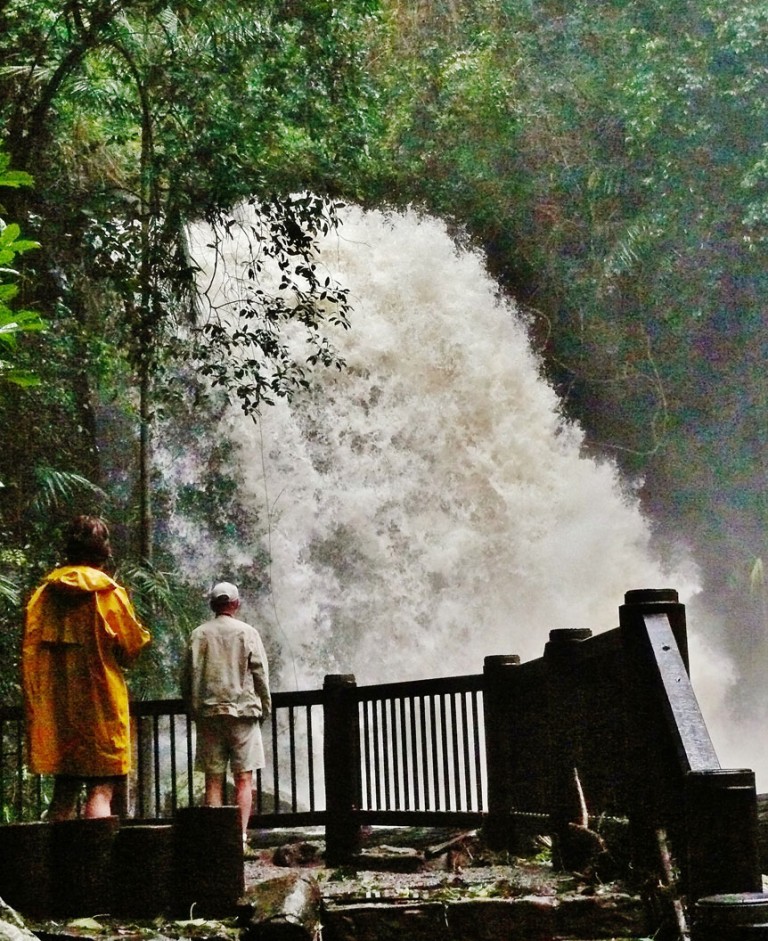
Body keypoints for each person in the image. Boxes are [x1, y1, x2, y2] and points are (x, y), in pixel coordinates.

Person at [21, 515, 151, 820]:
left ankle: (53, 866)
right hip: (101, 706)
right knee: (101, 788)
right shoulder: (108, 594)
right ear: (103, 551)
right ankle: (96, 866)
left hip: (57, 709)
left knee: (63, 792)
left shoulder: (43, 596)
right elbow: (132, 646)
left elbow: (29, 650)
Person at [183, 581, 271, 843]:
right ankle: (240, 837)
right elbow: (260, 675)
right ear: (236, 604)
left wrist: (193, 709)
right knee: (244, 778)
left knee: (214, 779)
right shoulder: (248, 633)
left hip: (209, 714)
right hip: (243, 714)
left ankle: (214, 840)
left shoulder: (198, 634)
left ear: (212, 605)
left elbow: (186, 678)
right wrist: (264, 708)